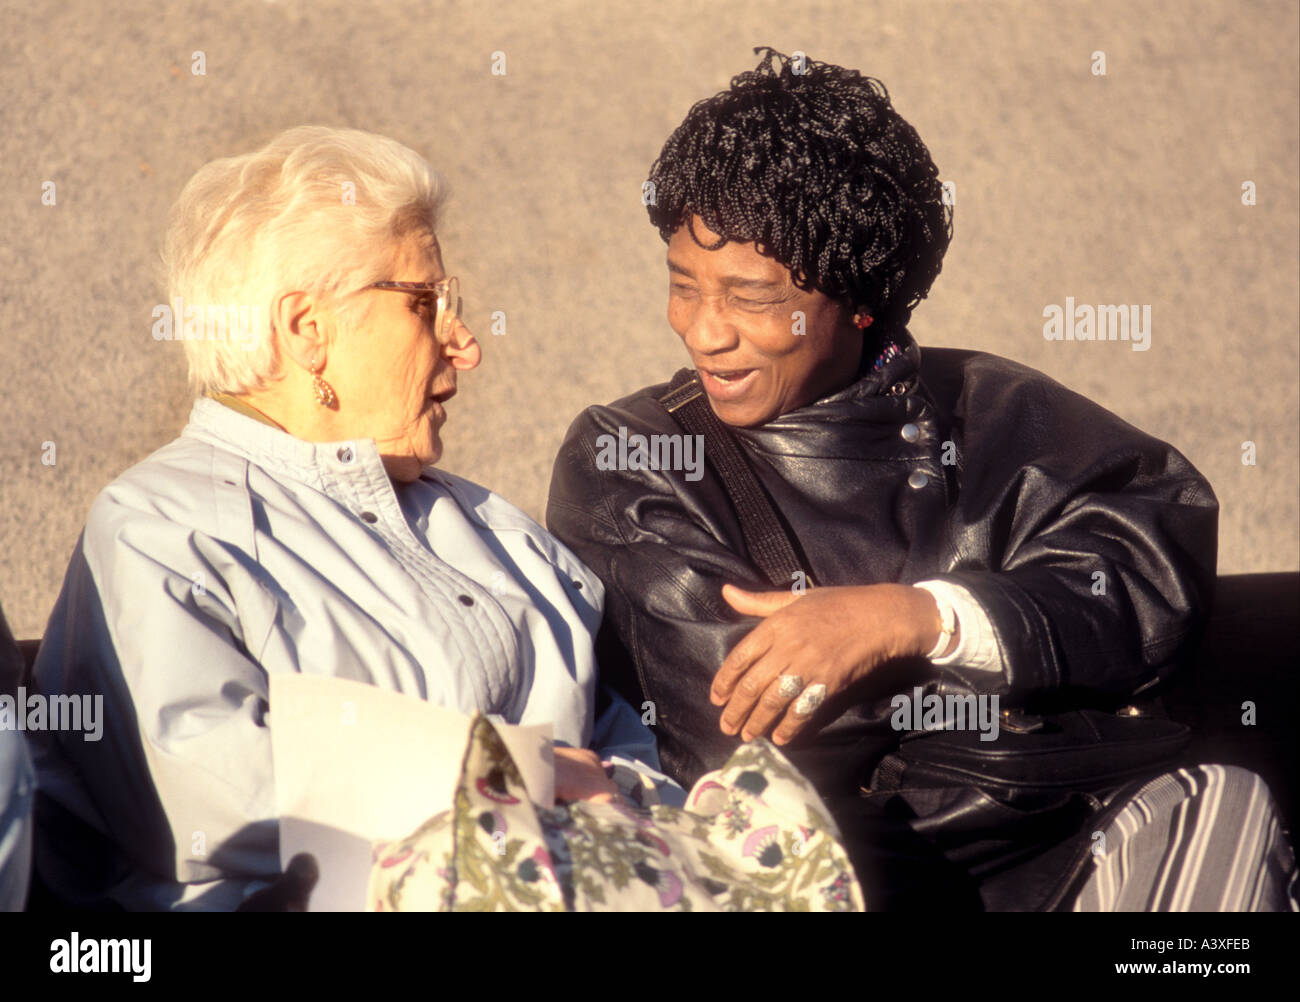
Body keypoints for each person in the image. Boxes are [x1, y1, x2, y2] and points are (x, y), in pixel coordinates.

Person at [546, 48, 1297, 910]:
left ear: (862, 299)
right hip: (838, 875)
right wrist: (1031, 641)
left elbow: (1155, 578)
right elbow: (750, 734)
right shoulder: (635, 453)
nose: (703, 331)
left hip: (1080, 852)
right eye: (683, 286)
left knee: (1222, 805)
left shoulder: (997, 405)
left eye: (750, 298)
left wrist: (916, 620)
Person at [27, 126, 679, 911]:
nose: (465, 343)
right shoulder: (159, 531)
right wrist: (515, 771)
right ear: (307, 329)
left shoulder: (499, 538)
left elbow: (626, 758)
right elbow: (211, 800)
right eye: (428, 302)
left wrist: (620, 810)